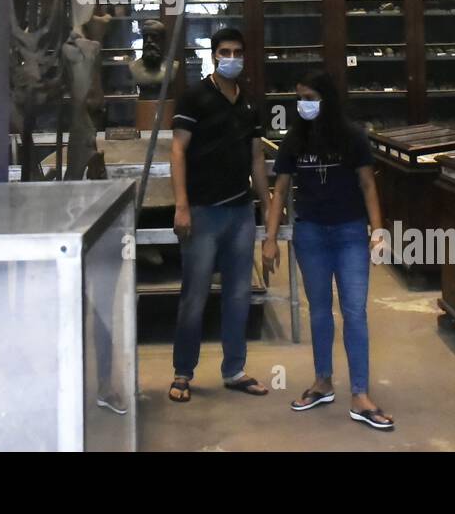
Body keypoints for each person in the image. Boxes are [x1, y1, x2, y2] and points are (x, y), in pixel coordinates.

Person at [262, 70, 394, 429]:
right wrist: (271, 239)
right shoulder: (294, 139)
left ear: (327, 99)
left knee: (354, 311)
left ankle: (360, 394)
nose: (303, 105)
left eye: (310, 98)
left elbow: (367, 185)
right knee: (319, 310)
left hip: (350, 232)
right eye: (299, 98)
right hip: (311, 235)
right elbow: (280, 190)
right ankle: (322, 382)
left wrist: (378, 230)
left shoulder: (352, 137)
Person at [167, 26, 271, 403]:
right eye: (225, 52)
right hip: (202, 213)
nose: (232, 58)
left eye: (237, 52)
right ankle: (183, 373)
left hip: (241, 213)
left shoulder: (249, 104)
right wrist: (181, 205)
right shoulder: (194, 98)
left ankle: (234, 370)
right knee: (194, 297)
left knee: (239, 294)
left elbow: (257, 158)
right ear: (214, 56)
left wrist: (269, 206)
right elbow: (178, 151)